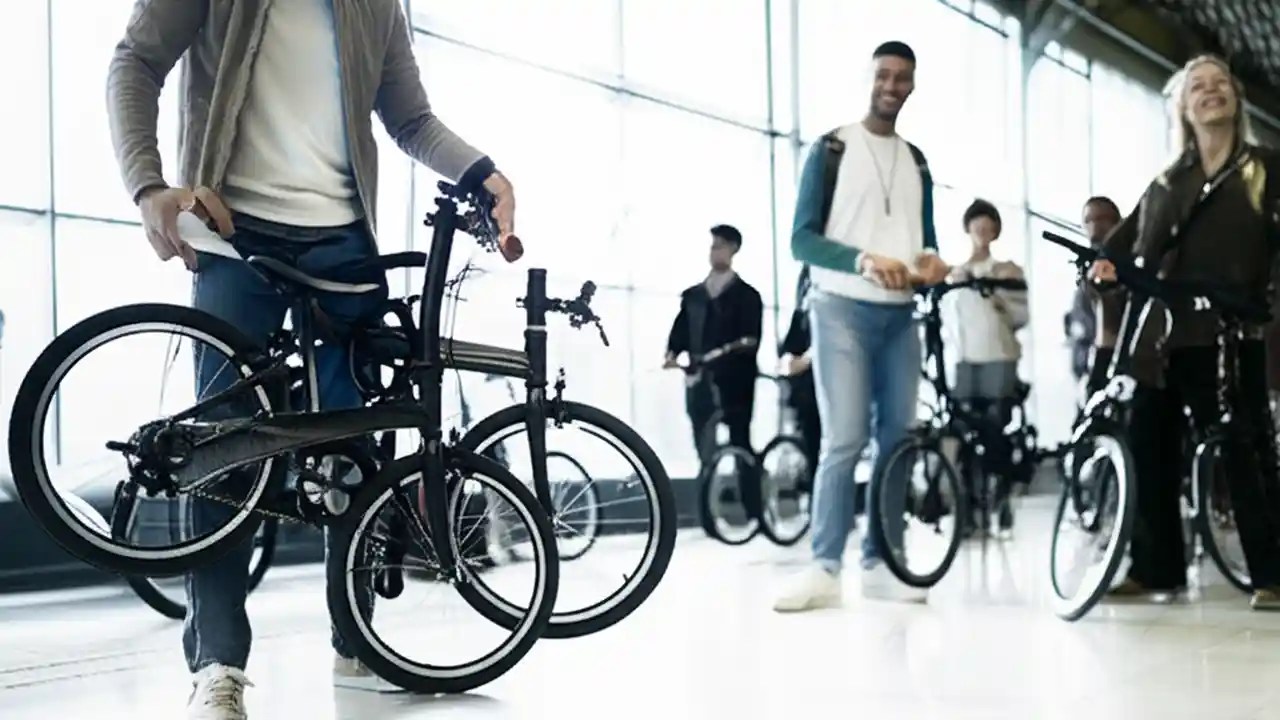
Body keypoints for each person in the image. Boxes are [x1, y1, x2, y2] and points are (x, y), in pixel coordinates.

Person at [106, 2, 516, 717]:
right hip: (235, 232)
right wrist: (148, 186)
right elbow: (135, 61)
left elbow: (409, 118)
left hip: (344, 241)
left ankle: (356, 641)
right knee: (224, 450)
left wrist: (484, 171)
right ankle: (218, 667)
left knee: (354, 447)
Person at [1091, 54, 1280, 610]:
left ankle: (1273, 571)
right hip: (1160, 339)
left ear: (1236, 99)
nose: (1211, 91)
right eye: (1198, 85)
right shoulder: (1166, 183)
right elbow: (1122, 251)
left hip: (1229, 333)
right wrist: (1103, 270)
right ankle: (1157, 570)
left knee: (1246, 450)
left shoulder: (1268, 168)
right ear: (1182, 106)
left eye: (1221, 83)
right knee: (1147, 446)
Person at [773, 40, 948, 613]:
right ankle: (824, 566)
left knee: (898, 439)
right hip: (840, 307)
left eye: (903, 78)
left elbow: (926, 241)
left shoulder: (918, 159)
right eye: (884, 75)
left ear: (914, 86)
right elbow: (801, 238)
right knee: (844, 437)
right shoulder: (832, 148)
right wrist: (865, 259)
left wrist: (929, 263)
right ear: (870, 78)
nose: (892, 85)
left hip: (900, 317)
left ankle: (881, 562)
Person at [939, 199, 1028, 538]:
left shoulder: (1007, 270)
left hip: (998, 356)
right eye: (976, 223)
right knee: (961, 431)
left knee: (994, 428)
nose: (981, 230)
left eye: (988, 224)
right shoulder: (955, 273)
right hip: (965, 361)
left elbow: (1020, 316)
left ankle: (999, 496)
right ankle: (968, 507)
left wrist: (994, 294)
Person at [664, 226, 764, 512]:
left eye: (721, 245)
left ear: (734, 250)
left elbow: (750, 341)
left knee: (740, 439)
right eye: (713, 245)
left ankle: (752, 506)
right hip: (699, 378)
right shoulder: (694, 296)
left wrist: (717, 356)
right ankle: (708, 509)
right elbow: (679, 332)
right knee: (703, 441)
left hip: (736, 381)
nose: (715, 251)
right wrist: (673, 354)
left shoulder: (747, 296)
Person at [1065, 196, 1124, 401]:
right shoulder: (1088, 264)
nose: (1095, 226)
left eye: (1101, 219)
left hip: (1116, 355)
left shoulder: (1127, 260)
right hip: (1088, 354)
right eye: (1088, 221)